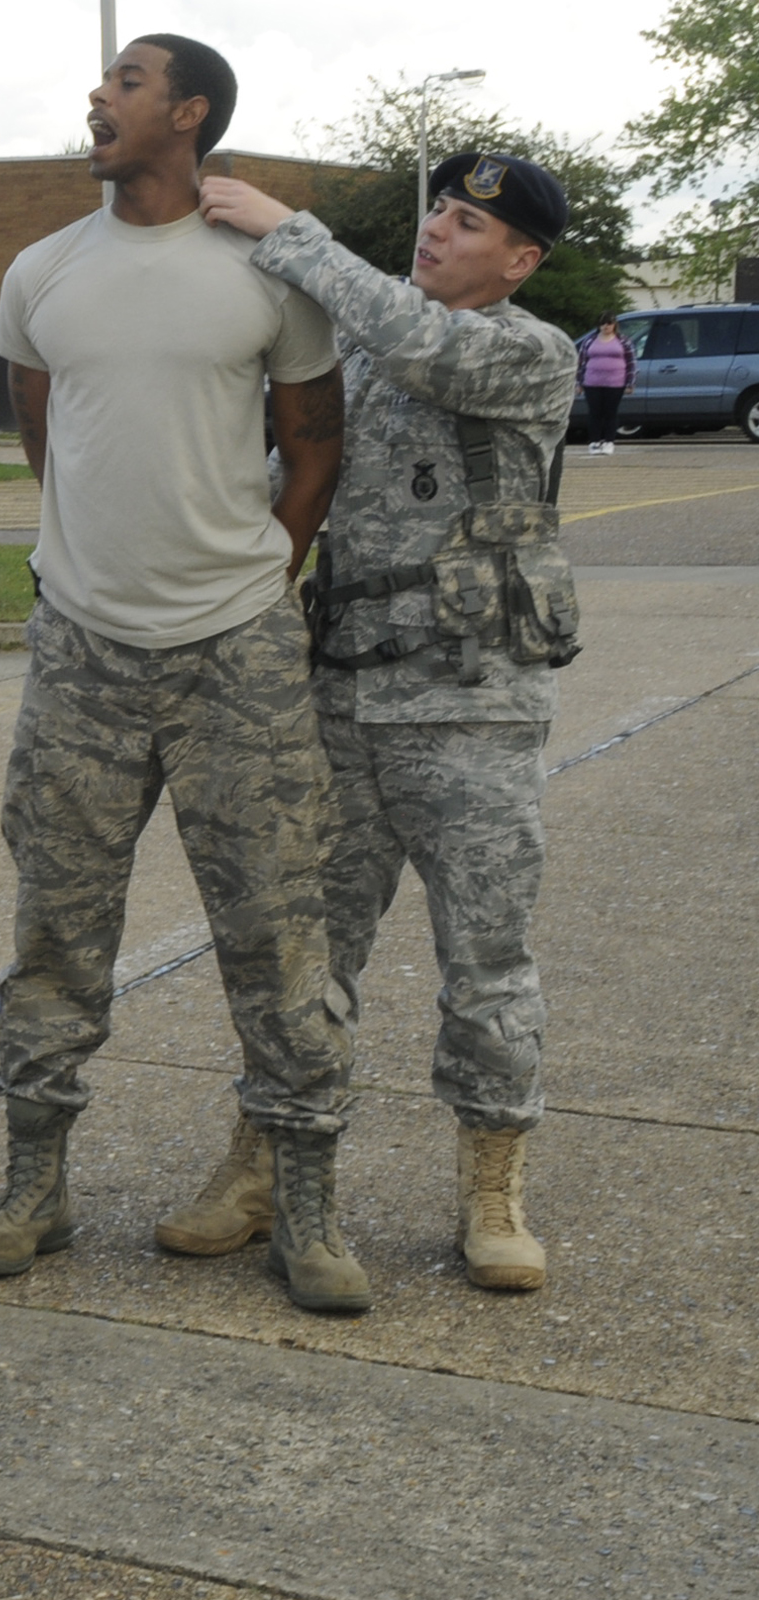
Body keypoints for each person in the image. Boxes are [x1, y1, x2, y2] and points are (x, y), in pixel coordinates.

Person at [0, 35, 372, 1313]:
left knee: (277, 936)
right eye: (102, 83)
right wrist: (90, 561)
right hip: (79, 652)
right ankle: (35, 1187)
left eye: (127, 83)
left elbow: (313, 446)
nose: (98, 96)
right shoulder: (41, 271)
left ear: (187, 115)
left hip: (236, 652)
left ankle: (302, 1210)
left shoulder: (265, 269)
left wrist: (259, 576)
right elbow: (41, 431)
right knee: (53, 933)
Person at [193, 152, 580, 1292]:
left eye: (468, 226)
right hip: (342, 701)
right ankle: (260, 1159)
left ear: (518, 260)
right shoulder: (355, 342)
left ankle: (491, 1189)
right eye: (439, 213)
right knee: (307, 956)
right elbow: (281, 474)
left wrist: (287, 228)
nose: (439, 233)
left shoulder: (526, 351)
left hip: (473, 713)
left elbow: (426, 345)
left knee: (486, 962)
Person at [578, 313, 635, 454]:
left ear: (614, 325)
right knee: (594, 412)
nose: (606, 327)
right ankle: (594, 442)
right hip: (592, 382)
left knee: (610, 412)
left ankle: (609, 441)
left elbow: (631, 362)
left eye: (609, 323)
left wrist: (630, 383)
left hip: (615, 383)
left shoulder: (623, 341)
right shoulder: (589, 341)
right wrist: (578, 382)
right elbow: (581, 362)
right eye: (603, 324)